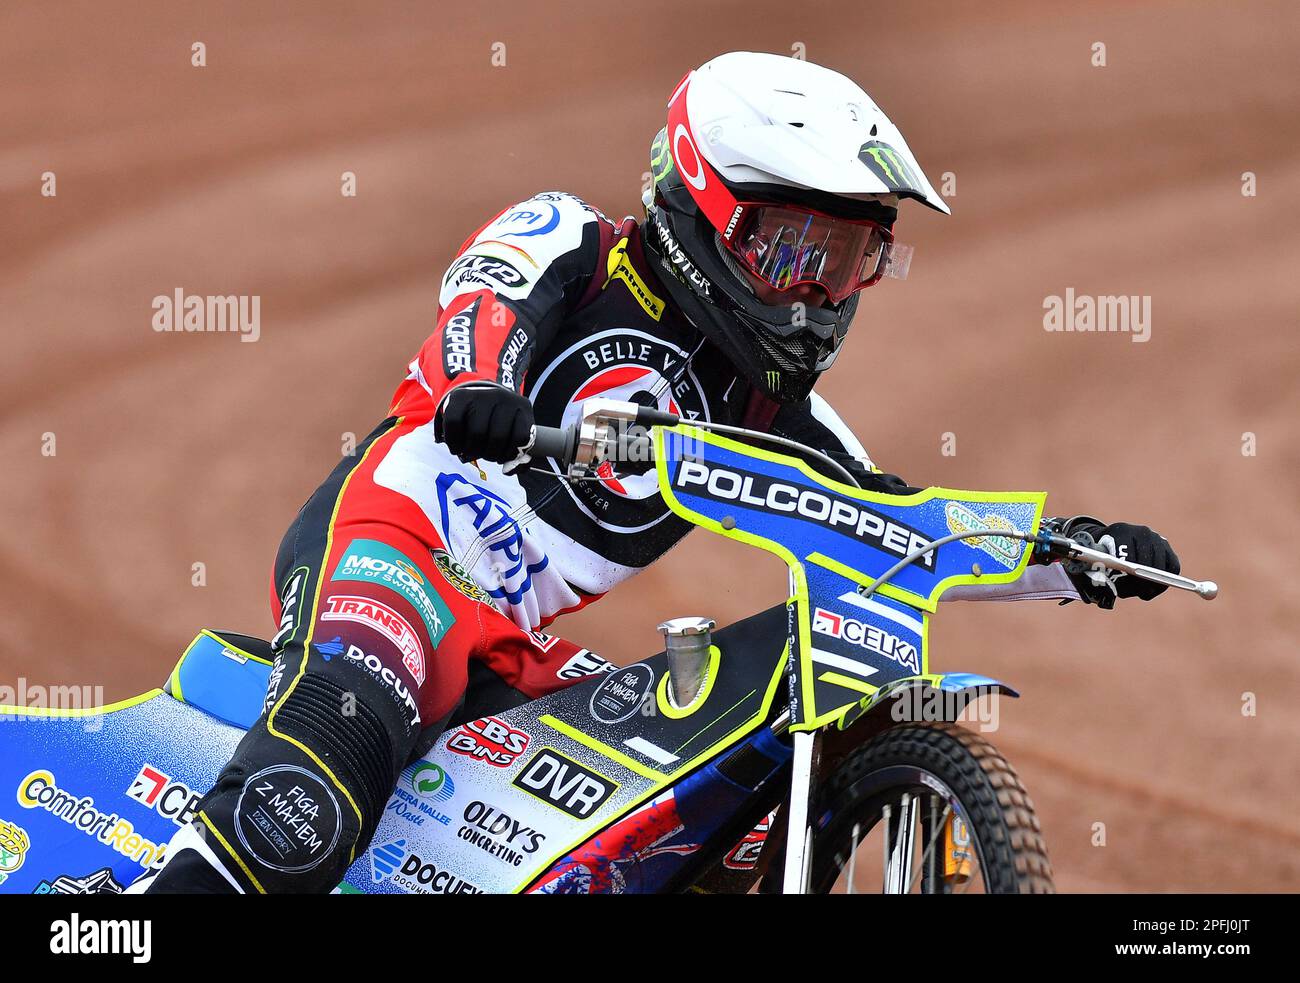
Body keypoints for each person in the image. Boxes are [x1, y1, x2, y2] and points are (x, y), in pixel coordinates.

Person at [139, 51, 1178, 893]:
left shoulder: (781, 413)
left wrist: (1068, 555)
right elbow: (482, 310)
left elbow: (903, 523)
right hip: (394, 547)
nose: (815, 293)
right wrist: (485, 388)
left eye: (846, 256)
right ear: (700, 205)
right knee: (315, 782)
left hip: (513, 647)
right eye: (789, 252)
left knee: (698, 822)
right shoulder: (575, 242)